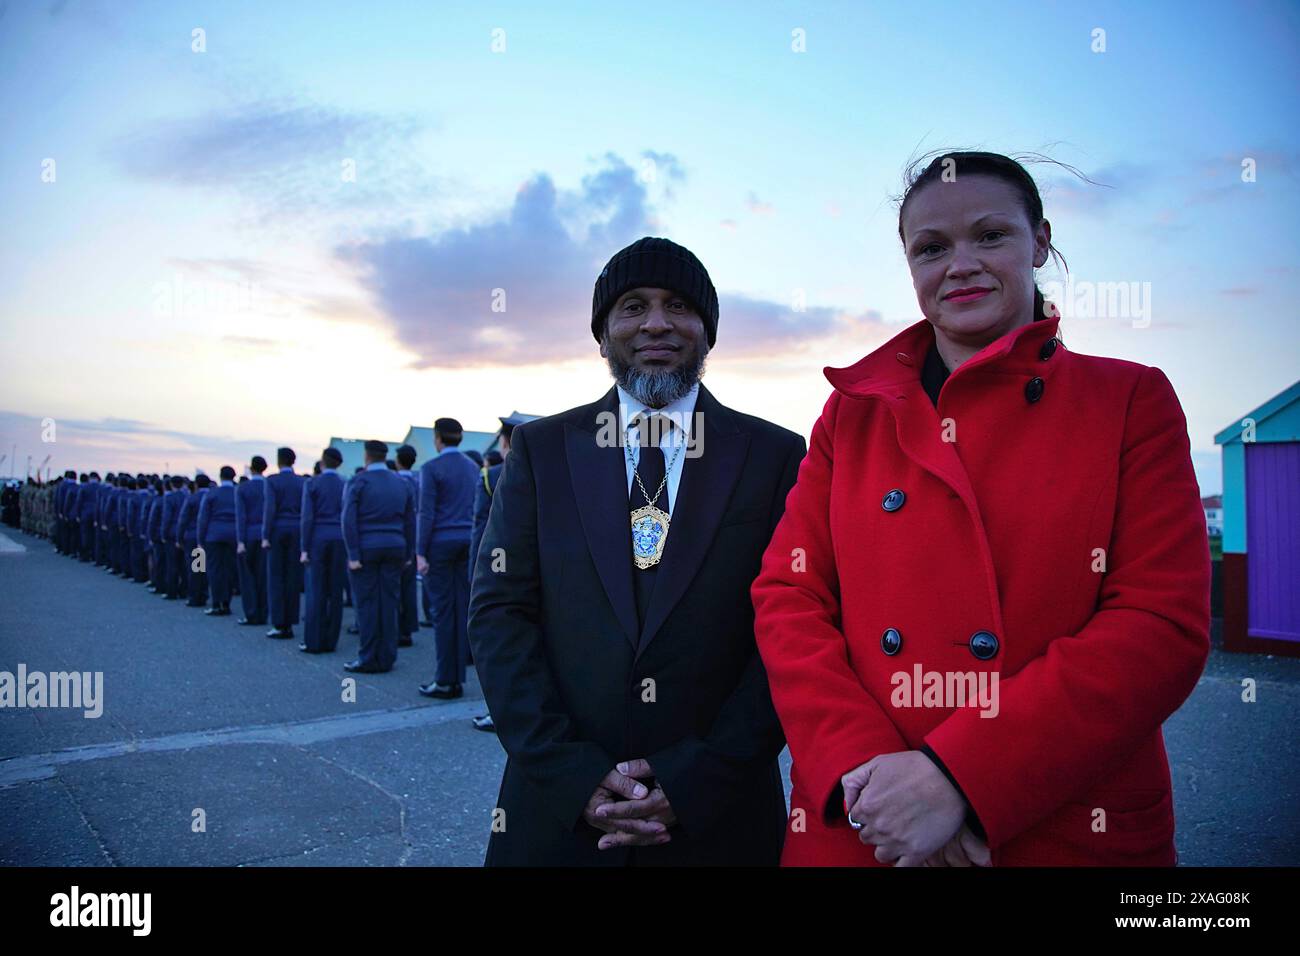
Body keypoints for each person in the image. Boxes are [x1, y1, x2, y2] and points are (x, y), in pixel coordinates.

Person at [750, 151, 1211, 868]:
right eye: (931, 248)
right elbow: (789, 595)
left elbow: (1158, 624)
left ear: (1042, 242)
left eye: (990, 235)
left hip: (1054, 823)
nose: (959, 264)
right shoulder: (850, 416)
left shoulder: (1129, 401)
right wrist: (871, 773)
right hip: (866, 823)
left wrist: (964, 778)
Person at [468, 236, 804, 866]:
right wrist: (569, 771)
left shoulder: (775, 456)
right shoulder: (543, 451)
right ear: (602, 335)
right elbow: (500, 614)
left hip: (717, 818)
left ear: (707, 331)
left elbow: (791, 627)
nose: (656, 322)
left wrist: (702, 775)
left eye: (679, 305)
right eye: (632, 306)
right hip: (557, 814)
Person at [465, 414, 526, 734]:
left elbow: (481, 527)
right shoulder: (551, 467)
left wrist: (477, 569)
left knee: (499, 642)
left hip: (500, 570)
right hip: (535, 573)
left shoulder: (493, 475)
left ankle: (498, 711)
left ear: (504, 441)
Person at [415, 418, 479, 699]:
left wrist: (420, 550)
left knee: (442, 612)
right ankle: (460, 672)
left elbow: (426, 512)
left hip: (439, 544)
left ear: (437, 438)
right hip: (466, 541)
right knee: (464, 608)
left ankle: (446, 680)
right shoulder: (473, 467)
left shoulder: (431, 468)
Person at [342, 440, 416, 673]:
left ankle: (368, 657)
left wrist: (353, 553)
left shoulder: (359, 481)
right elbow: (410, 520)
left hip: (367, 548)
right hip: (395, 546)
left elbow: (348, 520)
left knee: (367, 604)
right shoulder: (401, 482)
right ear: (386, 457)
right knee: (390, 602)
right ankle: (387, 656)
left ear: (367, 456)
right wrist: (408, 552)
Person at [300, 448, 347, 653]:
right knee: (335, 590)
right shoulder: (346, 483)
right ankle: (331, 640)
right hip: (340, 537)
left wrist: (304, 547)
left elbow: (307, 518)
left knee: (316, 590)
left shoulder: (312, 483)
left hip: (318, 538)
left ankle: (314, 640)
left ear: (322, 462)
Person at [263, 447, 306, 639]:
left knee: (276, 577)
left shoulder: (272, 481)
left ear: (279, 461)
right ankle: (291, 620)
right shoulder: (302, 482)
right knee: (293, 578)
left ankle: (280, 623)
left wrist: (265, 535)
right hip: (297, 529)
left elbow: (269, 509)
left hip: (278, 530)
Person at [198, 466, 239, 616]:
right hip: (233, 534)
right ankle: (226, 602)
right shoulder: (237, 492)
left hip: (214, 534)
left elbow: (203, 519)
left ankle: (216, 603)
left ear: (220, 477)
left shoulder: (212, 494)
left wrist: (200, 539)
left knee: (214, 569)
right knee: (229, 569)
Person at [235, 455, 269, 626]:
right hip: (265, 535)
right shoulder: (269, 486)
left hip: (248, 534)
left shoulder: (243, 488)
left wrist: (240, 540)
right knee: (264, 576)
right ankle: (264, 612)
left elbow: (241, 516)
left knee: (248, 577)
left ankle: (251, 613)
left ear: (251, 468)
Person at [394, 445, 420, 647]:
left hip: (401, 539)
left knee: (396, 588)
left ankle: (398, 628)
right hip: (418, 538)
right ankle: (408, 629)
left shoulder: (397, 483)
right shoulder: (419, 481)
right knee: (409, 588)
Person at [177, 475, 210, 607]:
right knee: (205, 567)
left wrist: (179, 537)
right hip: (209, 536)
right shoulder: (211, 497)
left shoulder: (192, 498)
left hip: (193, 536)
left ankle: (195, 596)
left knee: (196, 568)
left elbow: (183, 519)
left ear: (196, 484)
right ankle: (204, 593)